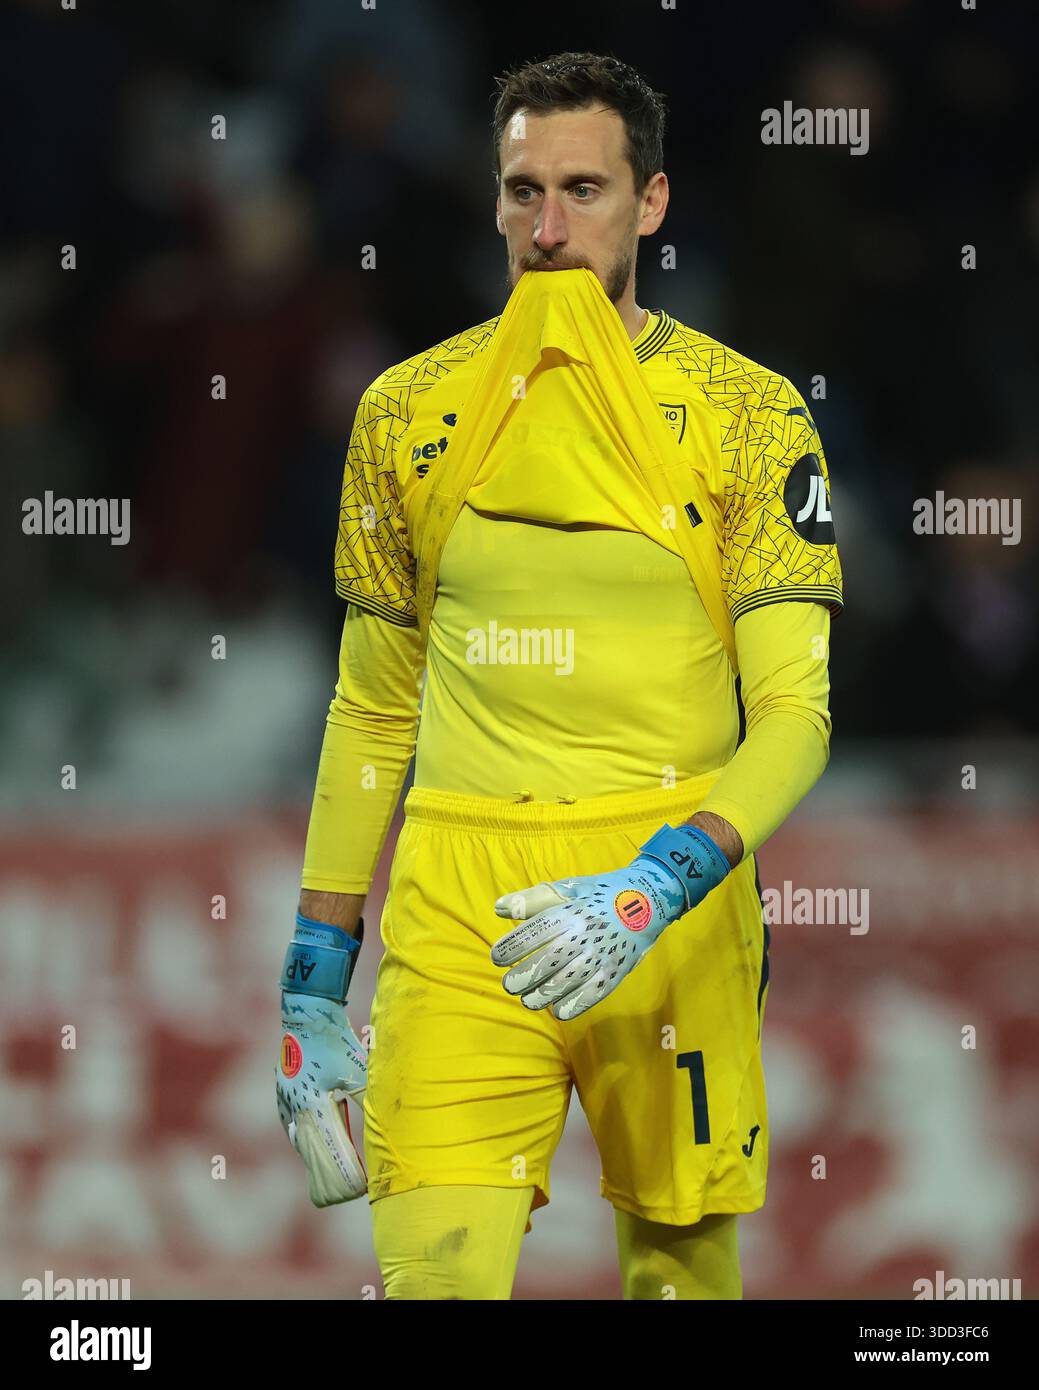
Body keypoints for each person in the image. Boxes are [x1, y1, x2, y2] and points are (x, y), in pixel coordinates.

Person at [276, 51, 843, 1300]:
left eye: (583, 189)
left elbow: (796, 717)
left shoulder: (749, 416)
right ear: (491, 201)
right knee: (435, 1281)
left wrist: (653, 886)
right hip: (457, 903)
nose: (547, 226)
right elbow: (374, 703)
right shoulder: (403, 412)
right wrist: (313, 979)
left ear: (651, 203)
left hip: (668, 898)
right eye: (522, 189)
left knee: (679, 1281)